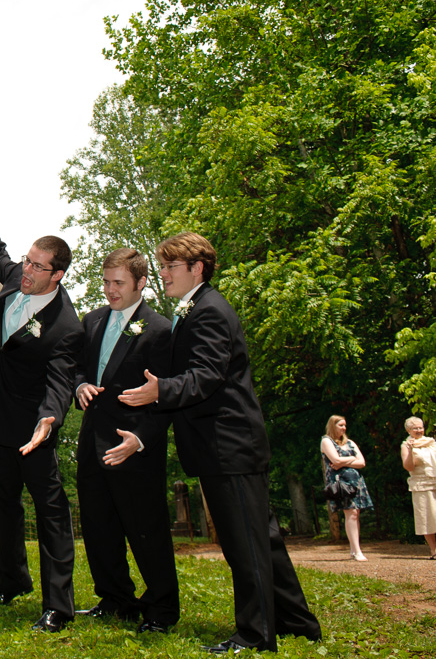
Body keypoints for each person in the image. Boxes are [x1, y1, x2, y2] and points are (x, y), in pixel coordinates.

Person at [121, 233, 320, 653]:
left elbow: (207, 377)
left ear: (197, 268)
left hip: (229, 445)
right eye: (162, 265)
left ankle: (254, 634)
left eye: (170, 266)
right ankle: (298, 623)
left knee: (243, 545)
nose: (163, 273)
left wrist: (162, 391)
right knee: (262, 540)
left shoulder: (209, 311)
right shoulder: (194, 308)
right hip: (227, 446)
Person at [0, 177, 84, 633]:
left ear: (57, 275)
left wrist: (49, 419)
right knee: (3, 505)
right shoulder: (14, 280)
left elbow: (60, 379)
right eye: (27, 261)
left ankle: (57, 606)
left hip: (34, 431)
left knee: (50, 514)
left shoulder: (66, 325)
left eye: (37, 266)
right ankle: (12, 581)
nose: (26, 270)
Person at [72, 249, 178, 632]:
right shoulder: (93, 321)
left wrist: (141, 438)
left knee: (146, 531)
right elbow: (78, 368)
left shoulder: (160, 329)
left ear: (141, 282)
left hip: (134, 445)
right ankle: (116, 599)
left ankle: (162, 610)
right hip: (92, 441)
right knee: (99, 526)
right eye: (105, 282)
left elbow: (167, 395)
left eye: (118, 283)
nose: (110, 290)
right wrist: (80, 384)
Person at [320, 415, 372, 562]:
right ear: (332, 426)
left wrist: (343, 462)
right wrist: (351, 460)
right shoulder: (326, 441)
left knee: (355, 513)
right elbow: (335, 460)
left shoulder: (350, 442)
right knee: (351, 513)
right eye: (340, 425)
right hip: (341, 483)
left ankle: (353, 549)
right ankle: (357, 551)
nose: (344, 428)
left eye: (345, 425)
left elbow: (362, 462)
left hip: (356, 481)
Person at [400, 416, 436, 558]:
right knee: (427, 517)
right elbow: (408, 466)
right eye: (415, 428)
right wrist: (410, 451)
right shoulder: (406, 445)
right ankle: (433, 550)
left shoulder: (432, 442)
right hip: (421, 484)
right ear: (408, 430)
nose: (419, 430)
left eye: (420, 427)